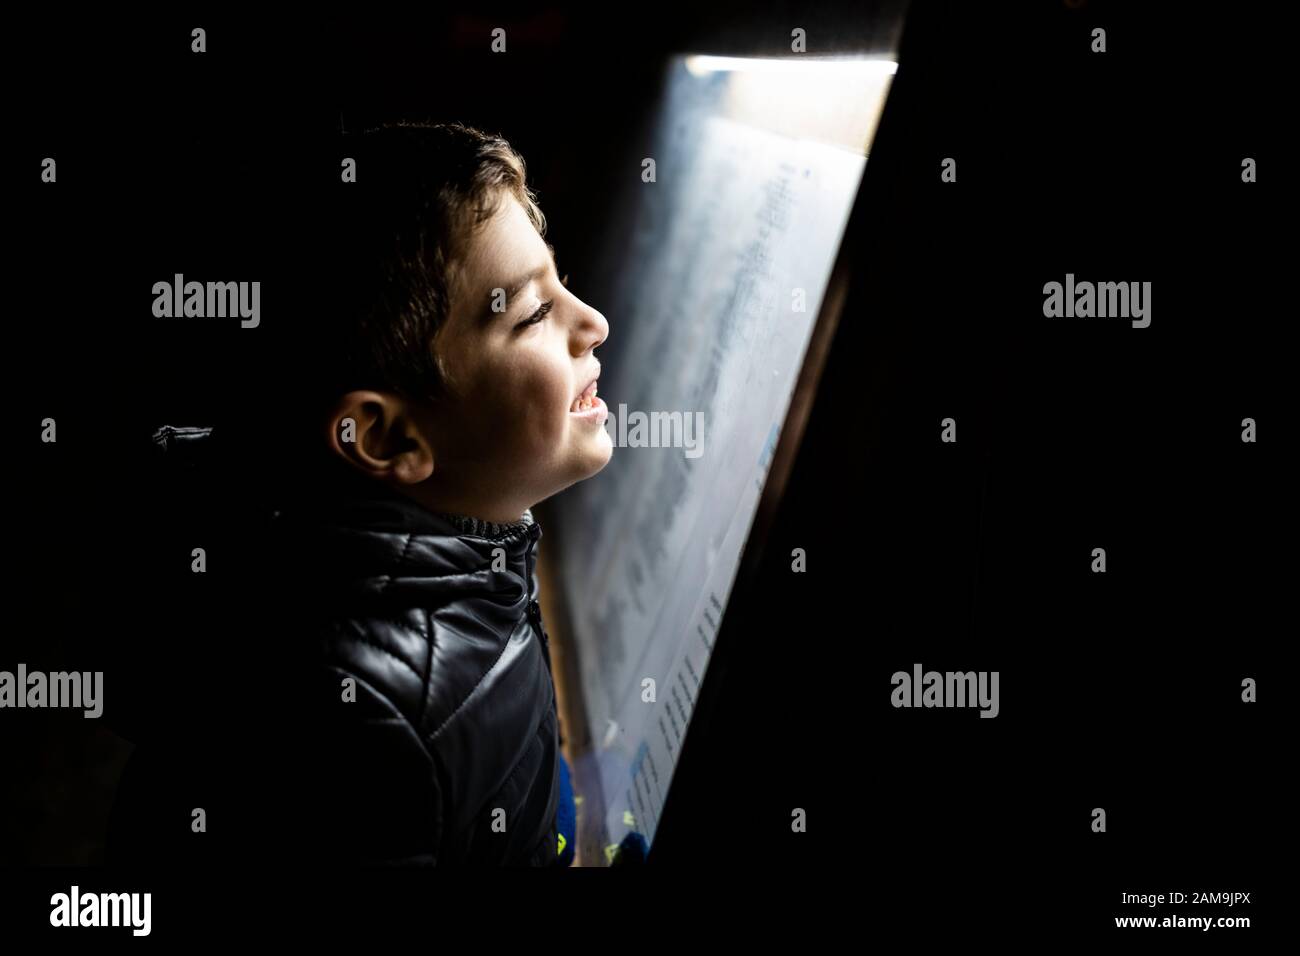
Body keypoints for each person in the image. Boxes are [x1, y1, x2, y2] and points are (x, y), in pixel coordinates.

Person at [105, 121, 609, 867]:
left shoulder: (467, 543)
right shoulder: (359, 724)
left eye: (557, 282)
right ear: (387, 440)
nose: (591, 323)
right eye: (533, 313)